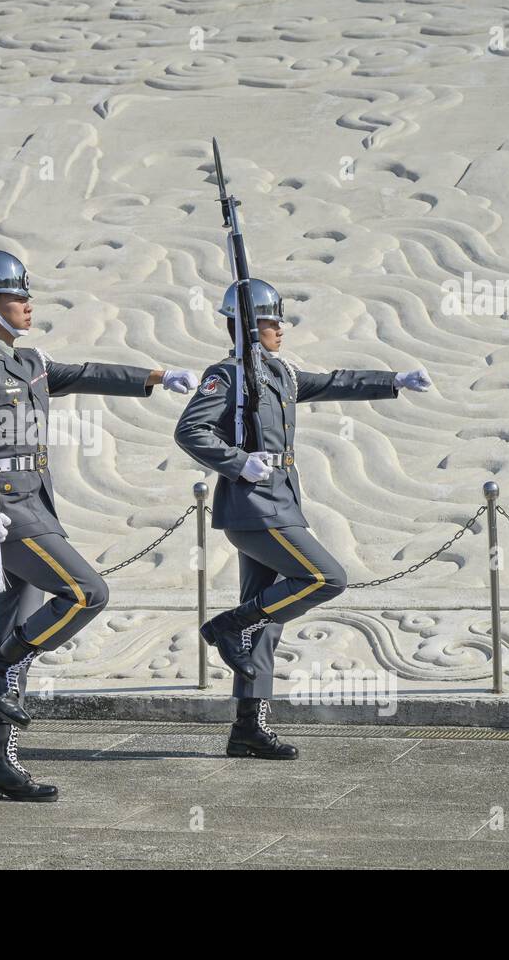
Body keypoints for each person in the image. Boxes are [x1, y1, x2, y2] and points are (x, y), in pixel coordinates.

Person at [0, 248, 198, 801]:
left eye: (27, 296)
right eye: (16, 297)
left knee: (14, 631)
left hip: (36, 504)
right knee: (87, 592)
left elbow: (85, 373)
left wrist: (156, 375)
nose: (28, 305)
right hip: (8, 515)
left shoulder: (30, 363)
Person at [174, 278, 431, 759]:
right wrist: (237, 460)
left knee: (266, 616)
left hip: (280, 502)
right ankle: (228, 626)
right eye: (272, 321)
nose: (280, 329)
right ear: (250, 327)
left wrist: (392, 381)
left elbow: (334, 382)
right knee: (325, 577)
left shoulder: (280, 374)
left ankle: (248, 727)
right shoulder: (227, 375)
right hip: (254, 507)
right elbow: (190, 430)